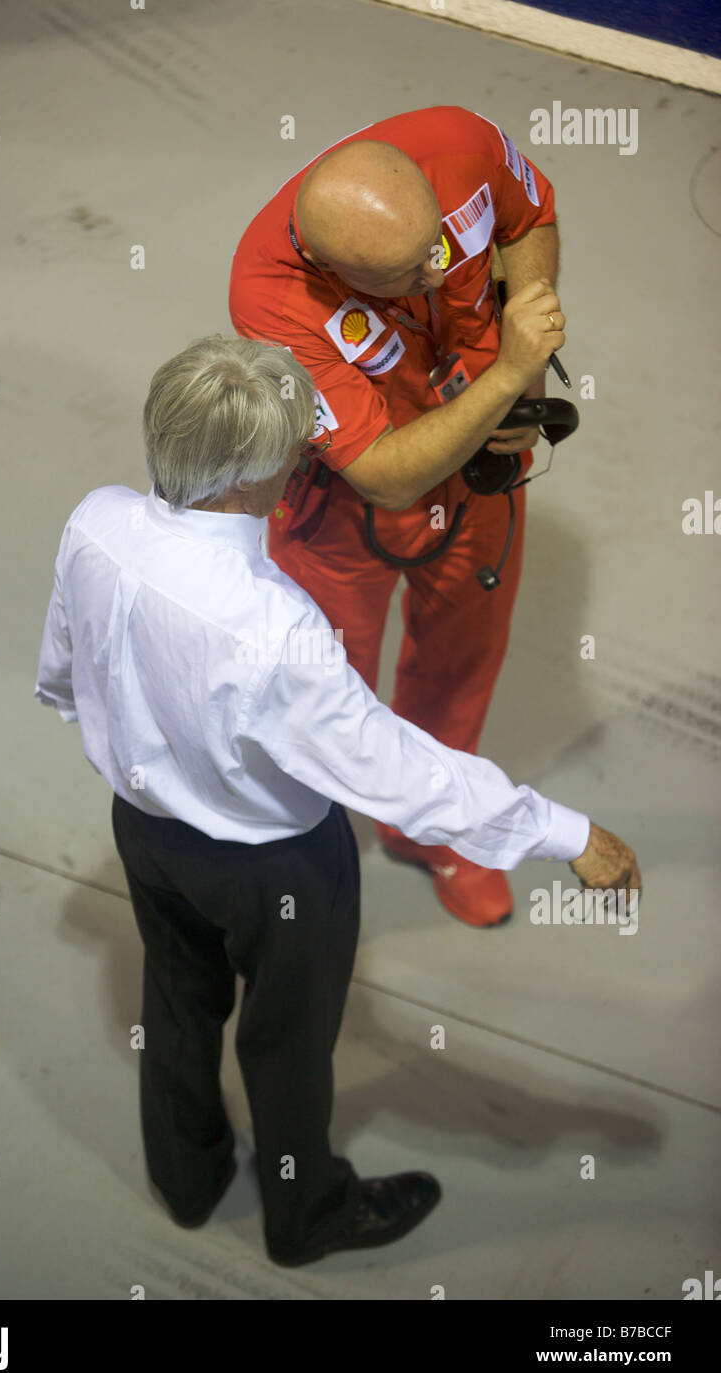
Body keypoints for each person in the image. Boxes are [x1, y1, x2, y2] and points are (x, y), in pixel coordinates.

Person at [34, 335, 641, 1268]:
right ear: (250, 477)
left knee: (176, 1000)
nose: (304, 461)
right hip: (275, 868)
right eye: (292, 450)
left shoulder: (97, 522)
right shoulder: (277, 628)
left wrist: (129, 738)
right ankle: (305, 1215)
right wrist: (561, 831)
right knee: (287, 1046)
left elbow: (68, 667)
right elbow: (397, 770)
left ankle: (187, 1179)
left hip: (145, 834)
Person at [229, 104, 569, 928]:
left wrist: (525, 336)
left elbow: (529, 216)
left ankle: (435, 829)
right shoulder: (271, 298)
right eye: (409, 272)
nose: (440, 266)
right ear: (331, 268)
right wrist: (510, 376)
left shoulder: (460, 140)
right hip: (343, 509)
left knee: (461, 659)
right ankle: (295, 842)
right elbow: (381, 474)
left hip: (482, 475)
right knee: (318, 681)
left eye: (438, 245)